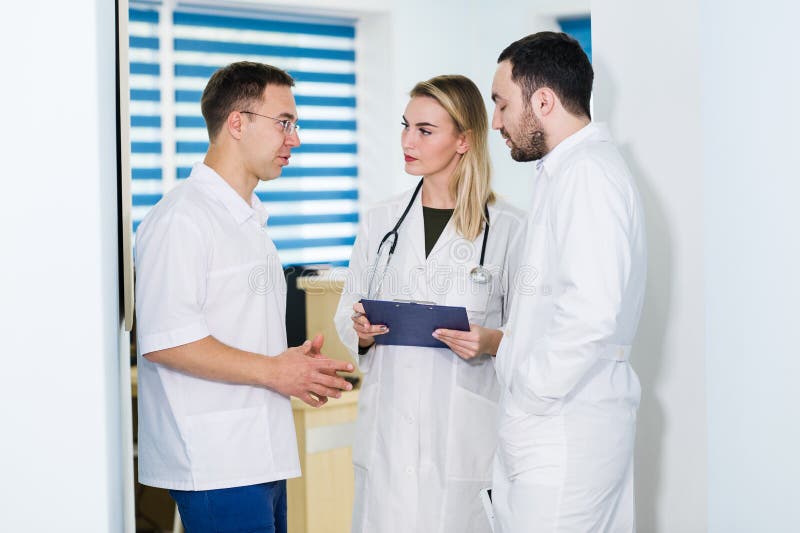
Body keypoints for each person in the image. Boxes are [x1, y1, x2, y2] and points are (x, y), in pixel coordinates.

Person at [134, 61, 355, 533]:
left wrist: (292, 364)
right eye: (284, 123)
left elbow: (233, 329)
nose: (295, 139)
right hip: (217, 464)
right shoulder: (182, 219)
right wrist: (276, 370)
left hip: (260, 456)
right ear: (237, 123)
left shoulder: (248, 220)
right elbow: (167, 340)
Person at [334, 75, 526, 533]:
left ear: (464, 140)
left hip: (462, 440)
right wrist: (360, 333)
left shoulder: (510, 228)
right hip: (387, 439)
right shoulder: (380, 221)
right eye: (406, 126)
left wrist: (491, 341)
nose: (407, 141)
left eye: (424, 130)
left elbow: (531, 336)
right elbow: (347, 310)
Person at [489, 32, 647, 532]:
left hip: (564, 427)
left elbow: (591, 311)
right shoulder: (566, 171)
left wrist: (531, 391)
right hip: (561, 424)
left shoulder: (587, 174)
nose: (495, 121)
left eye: (501, 103)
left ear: (543, 101)